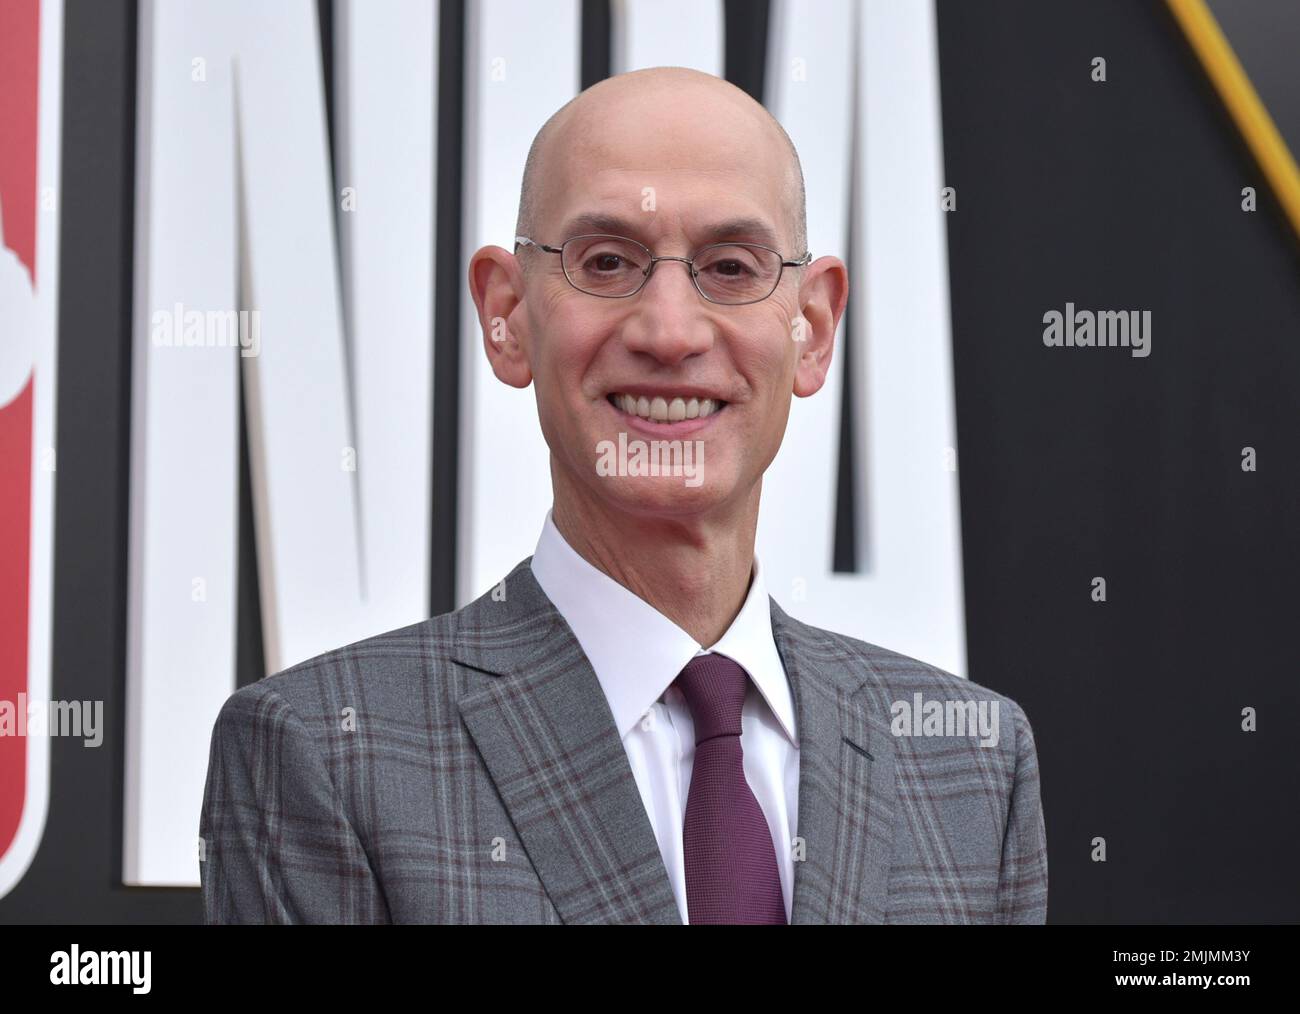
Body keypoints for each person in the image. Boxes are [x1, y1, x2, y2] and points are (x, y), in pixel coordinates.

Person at [199, 66, 1047, 924]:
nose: (670, 332)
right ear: (507, 314)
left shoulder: (971, 766)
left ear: (813, 330)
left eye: (730, 265)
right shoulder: (323, 752)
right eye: (606, 262)